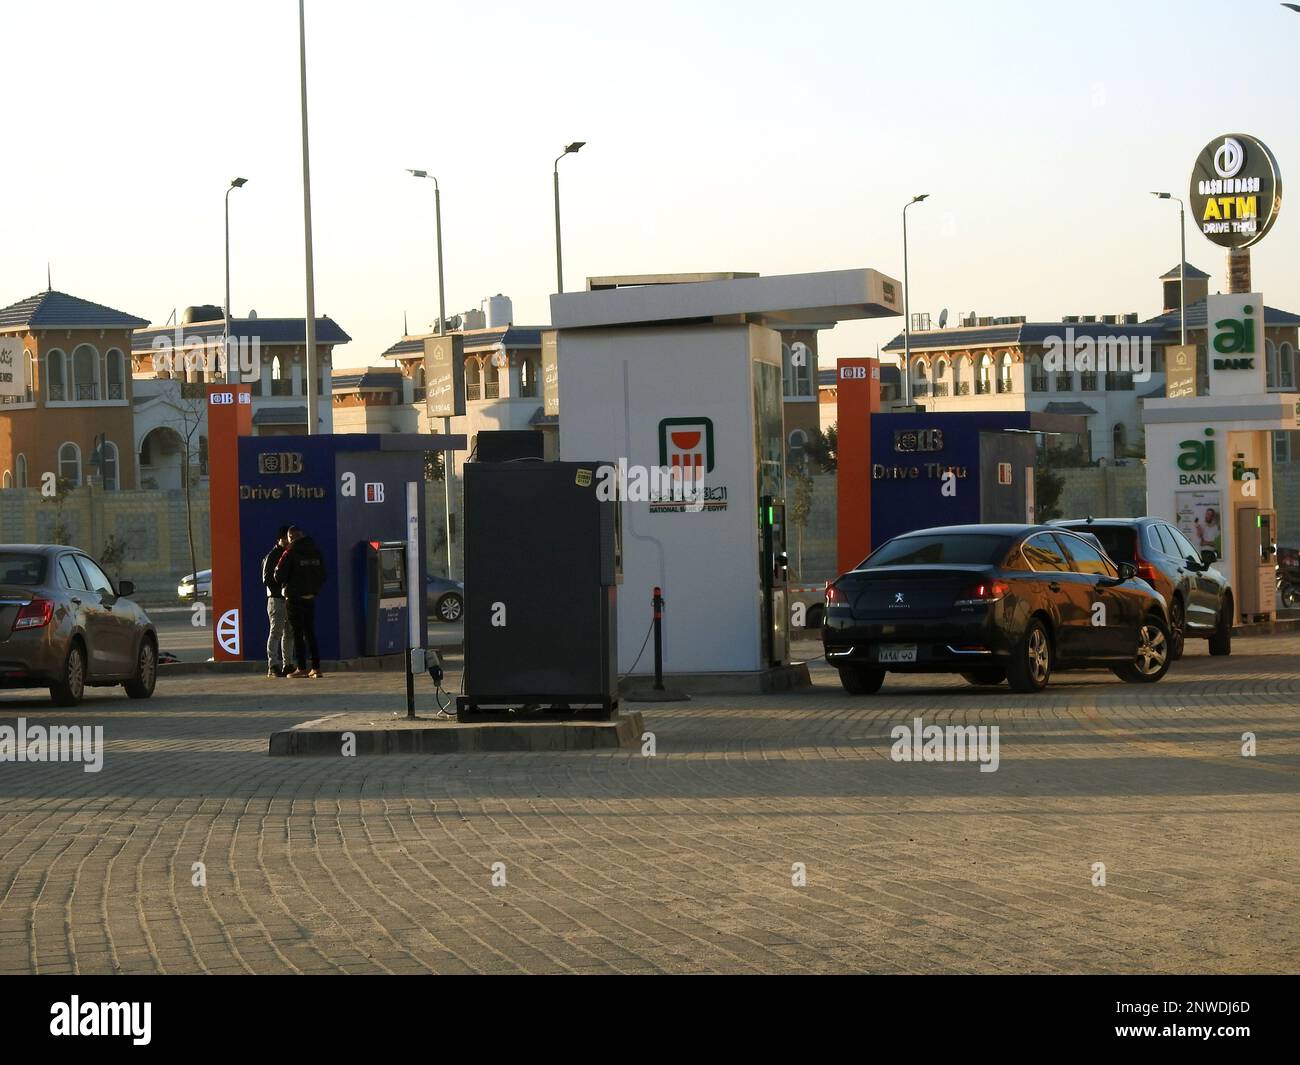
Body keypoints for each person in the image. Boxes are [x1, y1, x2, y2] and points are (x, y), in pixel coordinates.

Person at [275, 525, 326, 678]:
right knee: (310, 632)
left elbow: (279, 574)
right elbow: (323, 574)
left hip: (294, 599)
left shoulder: (290, 553)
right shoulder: (316, 551)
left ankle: (302, 668)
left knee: (297, 633)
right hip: (310, 597)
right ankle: (316, 668)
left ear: (290, 538)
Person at [261, 526, 292, 678]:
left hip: (288, 599)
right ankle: (273, 665)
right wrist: (282, 584)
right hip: (276, 599)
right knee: (276, 632)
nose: (289, 541)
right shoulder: (272, 556)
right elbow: (266, 579)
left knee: (289, 633)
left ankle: (288, 665)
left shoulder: (289, 554)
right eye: (286, 538)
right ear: (280, 539)